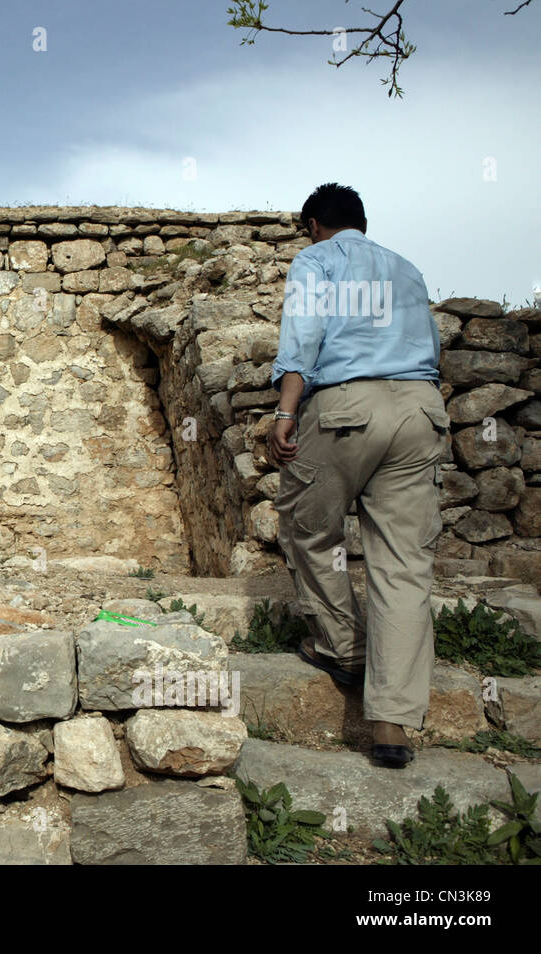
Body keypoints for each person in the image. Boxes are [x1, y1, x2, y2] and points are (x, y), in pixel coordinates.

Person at [267, 183, 450, 769]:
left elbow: (302, 338)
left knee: (308, 526)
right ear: (363, 223)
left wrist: (286, 411)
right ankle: (392, 725)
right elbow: (431, 343)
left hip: (347, 407)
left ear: (315, 224)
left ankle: (342, 647)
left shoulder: (315, 259)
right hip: (420, 409)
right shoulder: (408, 269)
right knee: (403, 563)